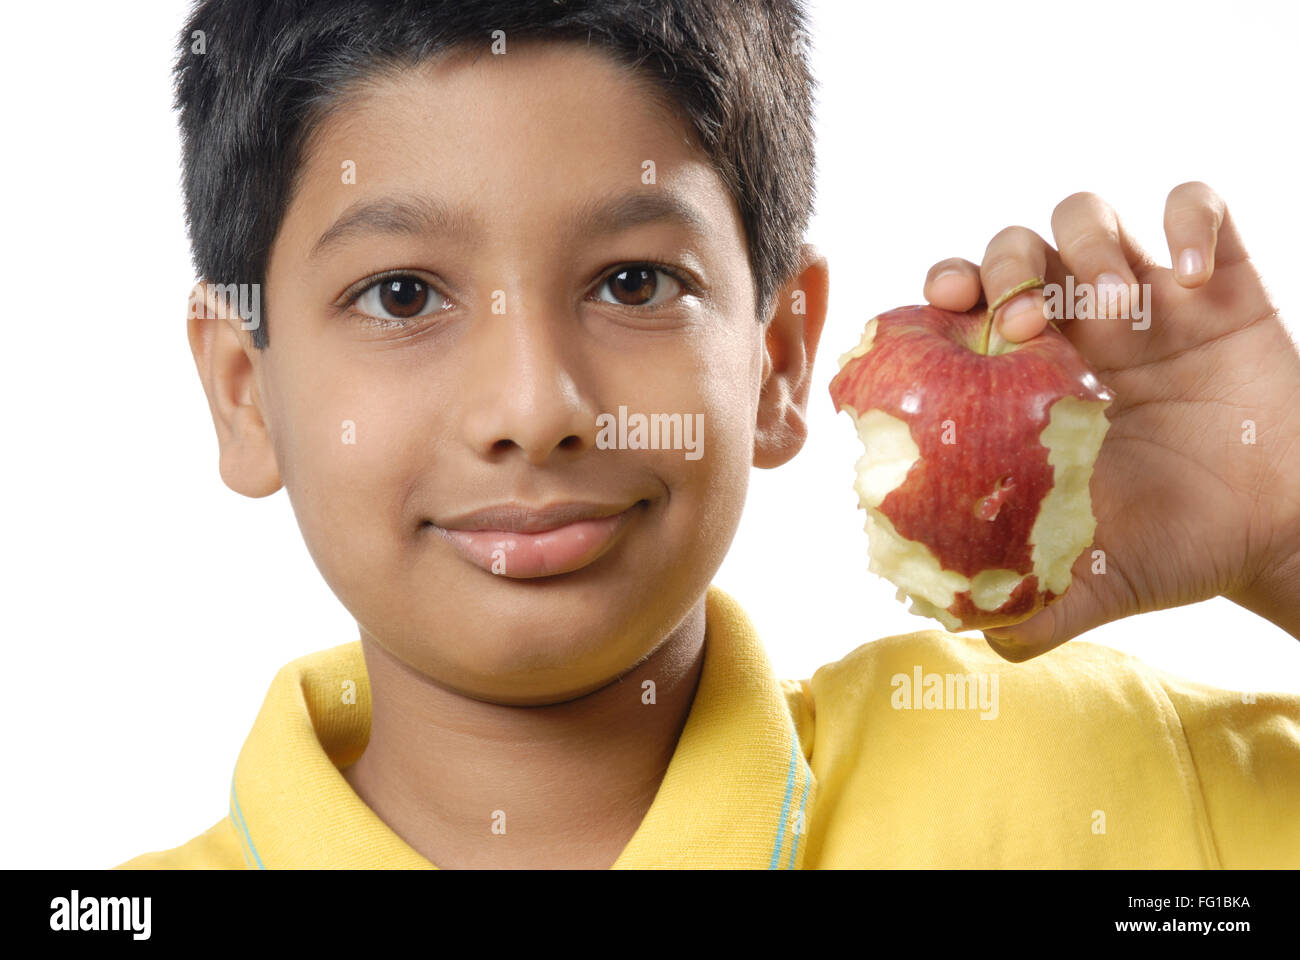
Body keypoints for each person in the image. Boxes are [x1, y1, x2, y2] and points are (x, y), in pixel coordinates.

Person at [117, 0, 1300, 869]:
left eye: (632, 281)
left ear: (779, 357)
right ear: (241, 389)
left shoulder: (1111, 784)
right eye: (401, 296)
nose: (534, 410)